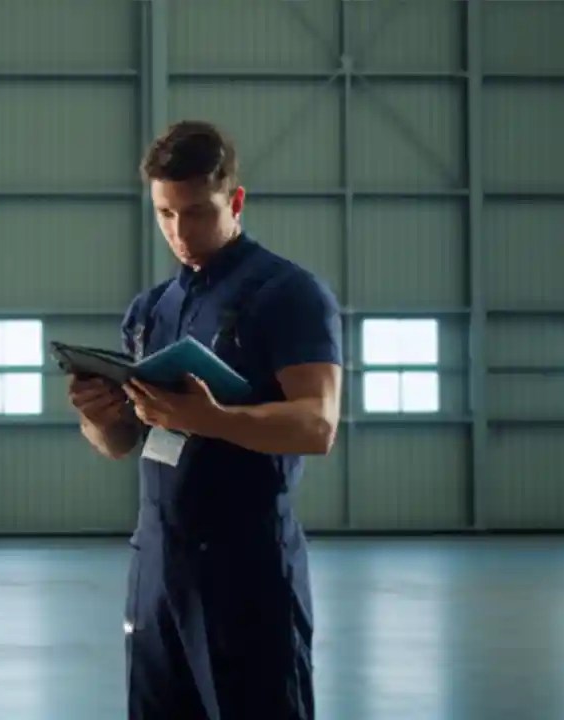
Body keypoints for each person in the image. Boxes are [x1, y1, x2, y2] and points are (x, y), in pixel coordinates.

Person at [67, 120, 343, 720]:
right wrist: (99, 417)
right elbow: (121, 444)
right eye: (165, 214)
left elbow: (318, 424)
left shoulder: (289, 294)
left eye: (195, 213)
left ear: (235, 201)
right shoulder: (151, 310)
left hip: (248, 569)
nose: (179, 232)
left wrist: (211, 418)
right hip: (158, 565)